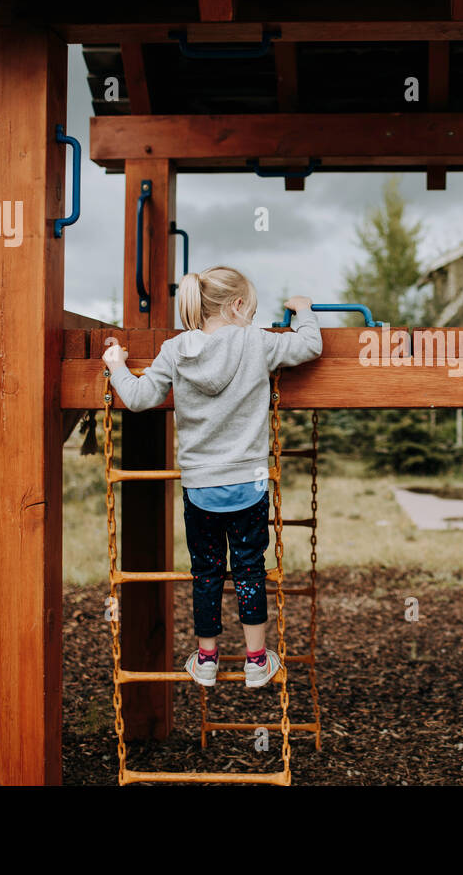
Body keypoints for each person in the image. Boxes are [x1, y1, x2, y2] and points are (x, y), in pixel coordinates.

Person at [102, 266, 321, 688]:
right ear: (238, 306)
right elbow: (310, 345)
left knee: (205, 571)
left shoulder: (174, 349)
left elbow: (140, 398)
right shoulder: (257, 342)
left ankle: (206, 659)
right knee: (249, 568)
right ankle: (257, 661)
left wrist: (116, 365)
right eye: (251, 310)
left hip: (199, 486)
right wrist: (304, 310)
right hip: (248, 482)